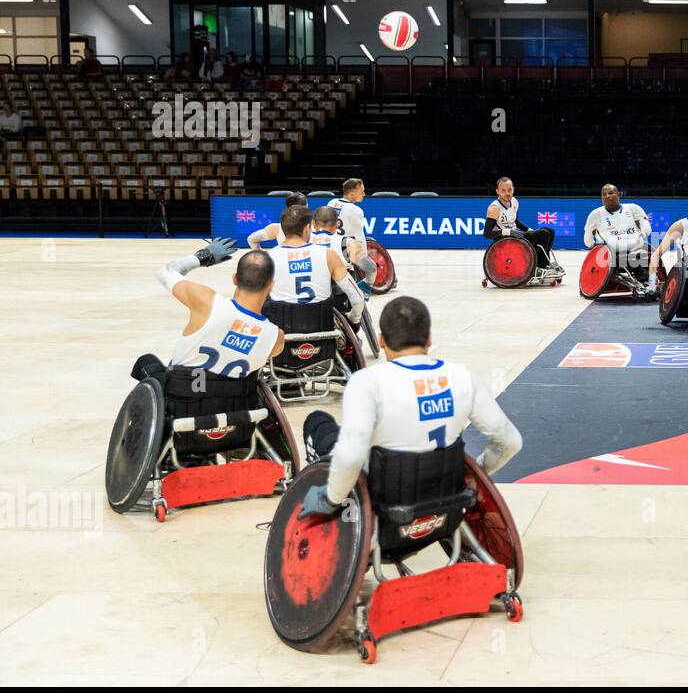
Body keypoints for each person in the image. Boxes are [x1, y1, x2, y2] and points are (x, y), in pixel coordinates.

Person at [296, 296, 523, 517]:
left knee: (318, 423)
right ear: (429, 339)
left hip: (384, 504)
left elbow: (350, 457)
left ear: (382, 340)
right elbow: (511, 442)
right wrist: (475, 473)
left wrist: (330, 498)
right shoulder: (464, 378)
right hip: (447, 497)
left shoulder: (367, 382)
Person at [132, 240, 284, 385]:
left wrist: (203, 257)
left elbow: (165, 272)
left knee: (146, 362)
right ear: (271, 286)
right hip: (233, 407)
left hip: (181, 401)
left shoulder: (207, 302)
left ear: (235, 279)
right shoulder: (276, 338)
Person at [265, 205, 365, 327]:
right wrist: (354, 320)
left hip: (283, 329)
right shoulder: (329, 255)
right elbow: (358, 299)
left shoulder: (268, 258)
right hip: (323, 327)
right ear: (308, 227)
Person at [583, 183, 655, 286]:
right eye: (604, 194)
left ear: (618, 194)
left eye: (611, 193)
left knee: (641, 255)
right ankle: (644, 277)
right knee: (625, 258)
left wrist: (643, 233)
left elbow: (646, 225)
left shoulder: (632, 208)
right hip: (612, 255)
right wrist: (593, 246)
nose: (607, 196)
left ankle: (648, 277)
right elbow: (587, 236)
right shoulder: (595, 214)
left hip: (636, 250)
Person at [484, 176, 561, 270]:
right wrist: (508, 232)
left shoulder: (514, 202)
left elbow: (516, 222)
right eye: (503, 190)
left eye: (509, 190)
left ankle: (545, 262)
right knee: (543, 234)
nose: (507, 193)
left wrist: (529, 230)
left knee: (550, 231)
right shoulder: (494, 208)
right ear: (497, 191)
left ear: (513, 189)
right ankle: (540, 266)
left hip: (517, 233)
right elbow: (487, 233)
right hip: (505, 239)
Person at [328, 178, 378, 288]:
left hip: (329, 246)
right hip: (345, 249)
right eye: (362, 192)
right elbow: (359, 236)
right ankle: (365, 290)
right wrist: (363, 257)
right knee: (372, 268)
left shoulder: (331, 203)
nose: (364, 194)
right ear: (351, 194)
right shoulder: (355, 210)